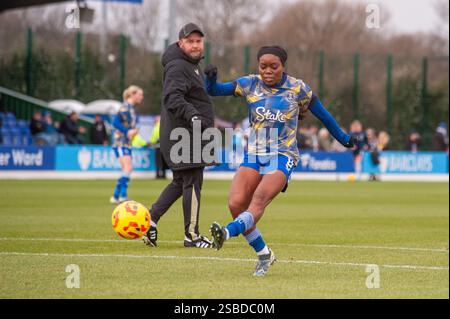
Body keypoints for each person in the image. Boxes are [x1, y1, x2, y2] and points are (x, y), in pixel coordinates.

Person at [204, 45, 357, 276]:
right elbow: (215, 91)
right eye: (263, 66)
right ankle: (264, 254)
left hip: (282, 155)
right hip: (254, 154)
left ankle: (225, 233)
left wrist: (344, 138)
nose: (267, 71)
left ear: (283, 67)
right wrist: (211, 78)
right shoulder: (249, 84)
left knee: (258, 201)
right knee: (236, 204)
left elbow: (324, 115)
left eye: (273, 66)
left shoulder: (298, 88)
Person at [142, 23, 215, 249]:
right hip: (184, 133)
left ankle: (149, 222)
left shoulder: (190, 65)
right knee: (193, 181)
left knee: (181, 181)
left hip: (188, 132)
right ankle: (191, 235)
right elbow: (172, 98)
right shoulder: (178, 66)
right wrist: (193, 116)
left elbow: (193, 95)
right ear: (180, 43)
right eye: (190, 41)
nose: (195, 45)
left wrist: (210, 81)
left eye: (198, 41)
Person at [110, 85, 142, 204]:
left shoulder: (132, 109)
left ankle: (116, 195)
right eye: (140, 94)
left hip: (126, 143)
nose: (141, 97)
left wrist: (135, 130)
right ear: (133, 94)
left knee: (127, 168)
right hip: (120, 142)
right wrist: (127, 131)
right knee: (128, 168)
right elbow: (115, 122)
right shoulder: (125, 107)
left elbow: (134, 125)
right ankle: (122, 196)